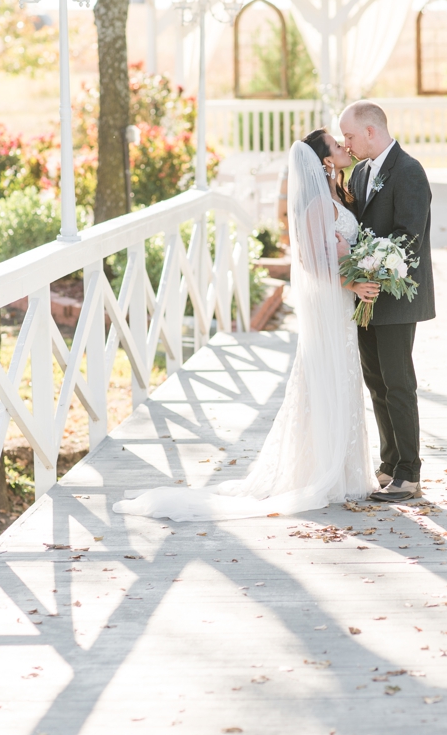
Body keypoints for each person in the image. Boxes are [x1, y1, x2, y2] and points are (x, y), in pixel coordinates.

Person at [111, 132, 379, 520]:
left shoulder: (336, 195)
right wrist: (352, 280)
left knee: (343, 375)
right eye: (337, 145)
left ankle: (346, 467)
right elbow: (310, 263)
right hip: (332, 302)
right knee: (329, 375)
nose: (343, 147)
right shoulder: (319, 203)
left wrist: (357, 262)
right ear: (325, 161)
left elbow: (333, 250)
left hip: (341, 304)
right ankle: (327, 471)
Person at [338, 100, 435, 503]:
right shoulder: (360, 172)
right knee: (376, 382)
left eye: (349, 136)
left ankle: (410, 474)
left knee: (398, 383)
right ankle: (389, 464)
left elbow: (408, 237)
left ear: (371, 131)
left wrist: (374, 272)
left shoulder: (409, 172)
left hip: (395, 296)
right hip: (366, 296)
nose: (346, 144)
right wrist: (357, 278)